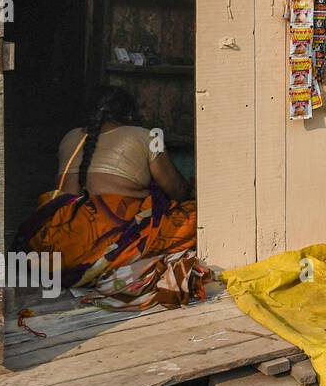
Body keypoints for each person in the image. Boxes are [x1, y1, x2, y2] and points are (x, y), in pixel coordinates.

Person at [20, 85, 197, 288]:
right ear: (130, 114)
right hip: (106, 239)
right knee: (197, 218)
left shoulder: (69, 137)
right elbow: (178, 190)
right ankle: (112, 261)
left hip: (58, 244)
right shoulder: (147, 136)